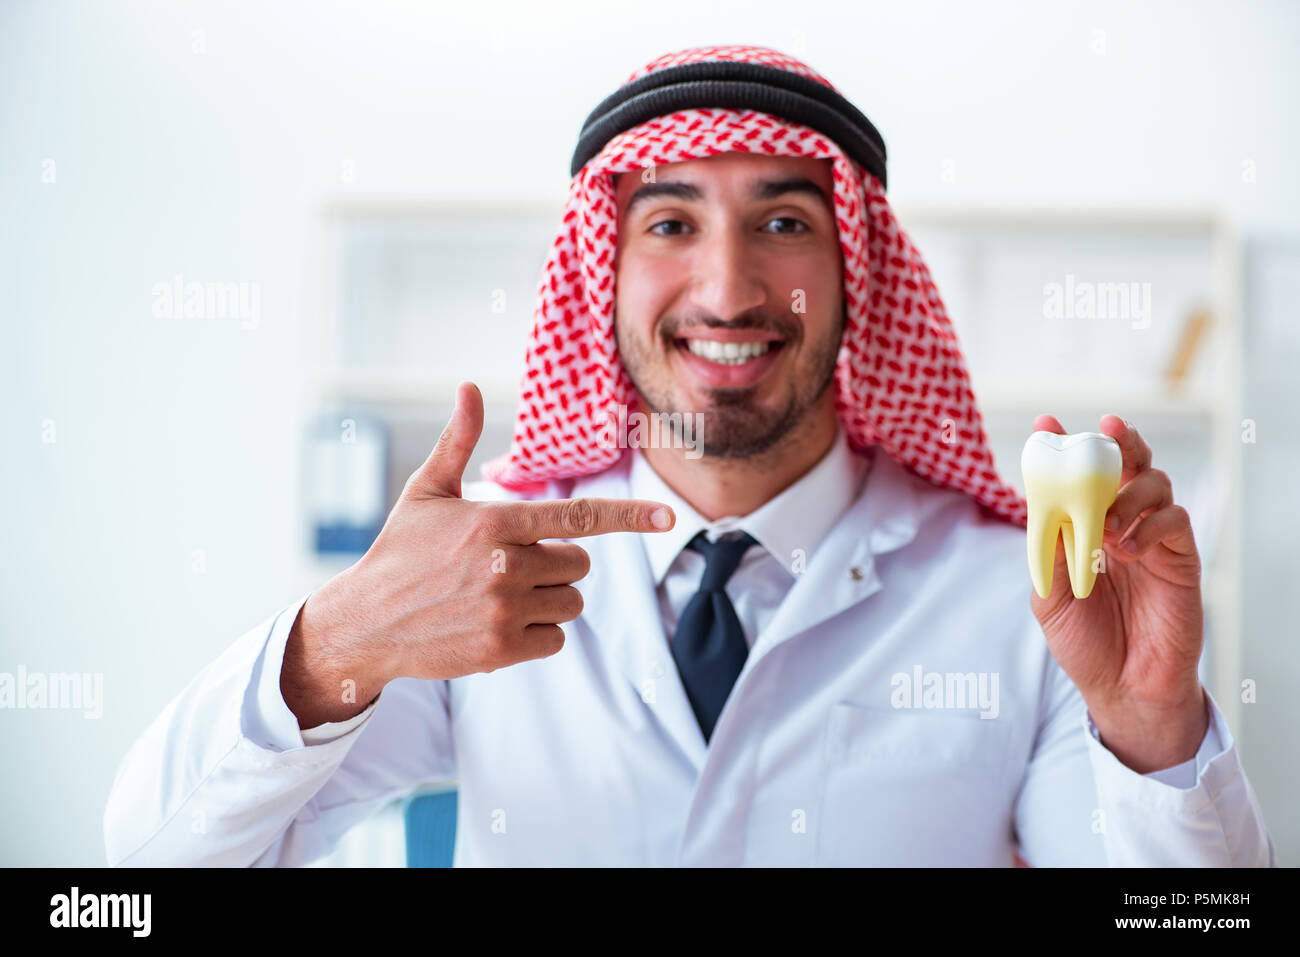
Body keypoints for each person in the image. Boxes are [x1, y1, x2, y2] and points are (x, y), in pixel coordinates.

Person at [104, 44, 1274, 867]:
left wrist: (1154, 728)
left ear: (856, 272)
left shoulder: (1013, 594)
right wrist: (336, 642)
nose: (726, 287)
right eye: (669, 223)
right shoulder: (483, 571)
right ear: (599, 275)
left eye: (781, 222)